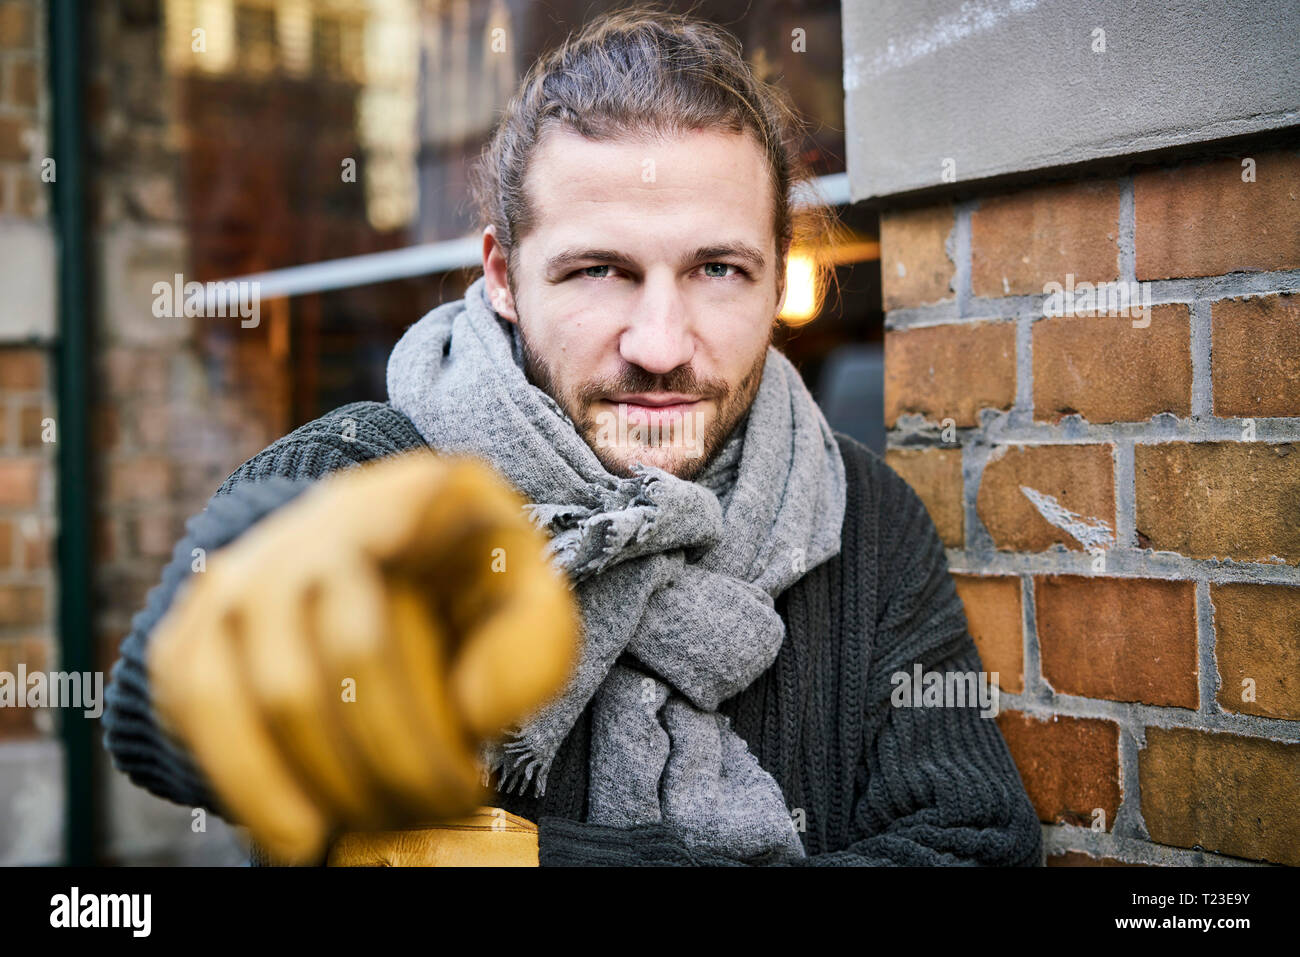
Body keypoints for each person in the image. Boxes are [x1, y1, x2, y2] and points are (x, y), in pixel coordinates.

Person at [102, 6, 1042, 867]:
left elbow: (979, 847)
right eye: (600, 271)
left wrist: (531, 857)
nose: (662, 346)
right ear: (504, 277)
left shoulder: (859, 516)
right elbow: (160, 701)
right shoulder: (374, 475)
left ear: (777, 276)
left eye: (717, 268)